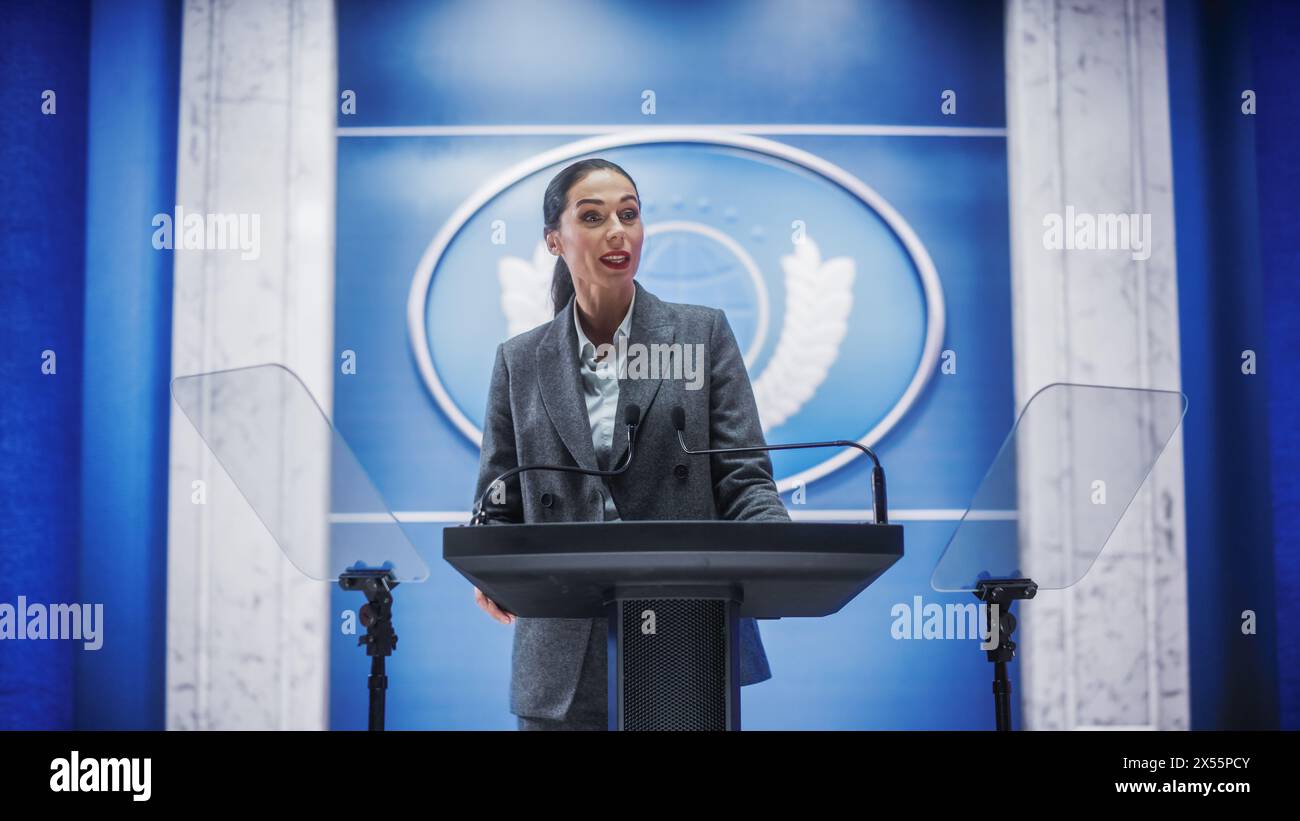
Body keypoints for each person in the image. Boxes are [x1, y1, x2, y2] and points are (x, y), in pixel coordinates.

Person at [471, 157, 790, 730]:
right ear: (554, 240)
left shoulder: (702, 333)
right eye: (592, 217)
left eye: (629, 214)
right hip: (560, 649)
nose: (617, 230)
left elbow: (744, 478)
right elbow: (498, 501)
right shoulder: (519, 360)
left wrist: (779, 552)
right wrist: (490, 568)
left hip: (683, 632)